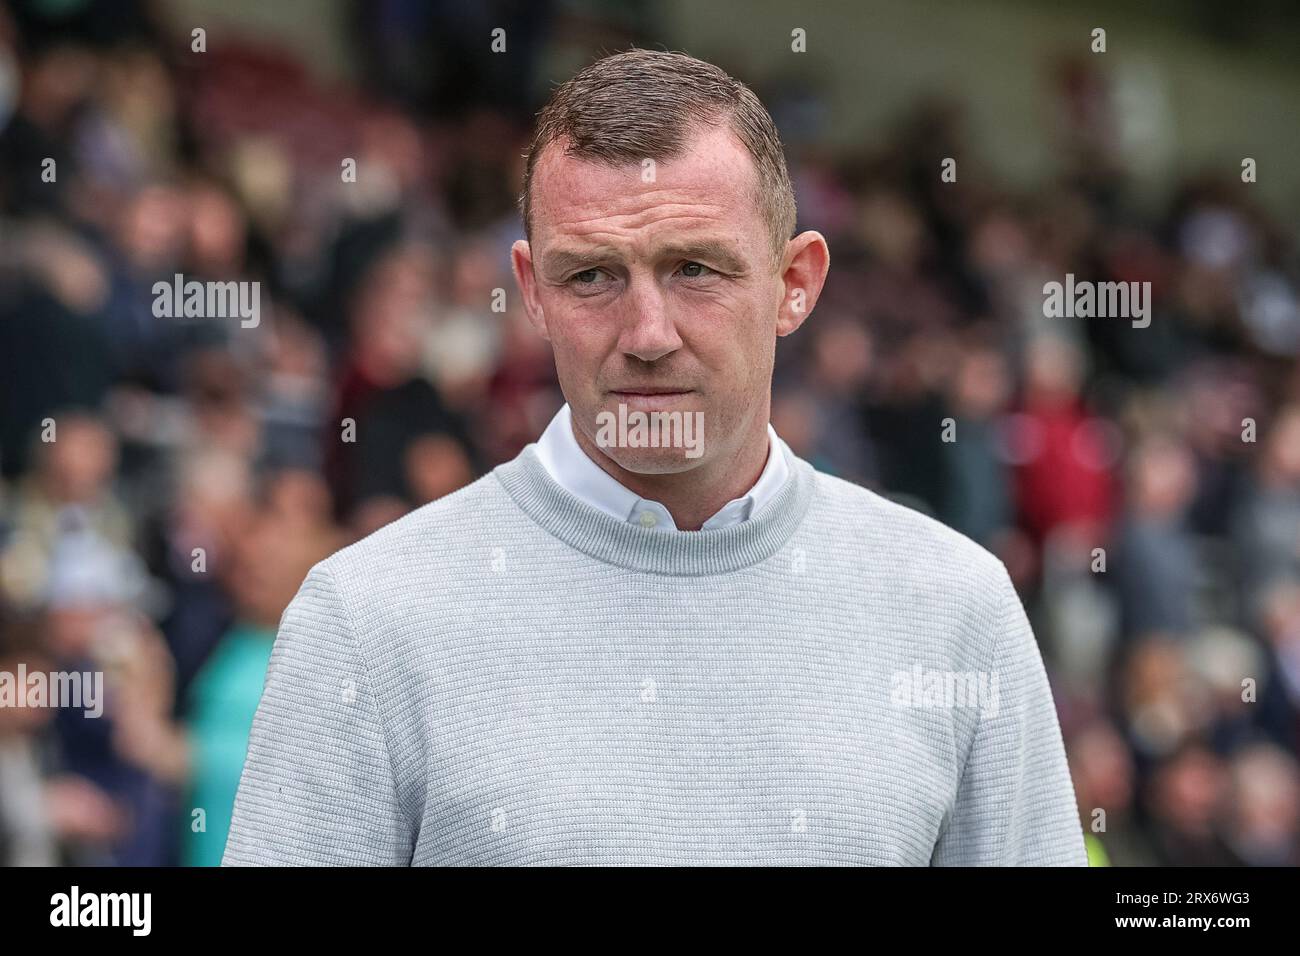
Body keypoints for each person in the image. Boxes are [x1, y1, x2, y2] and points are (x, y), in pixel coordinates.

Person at [222, 48, 1086, 866]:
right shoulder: (367, 621)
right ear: (531, 292)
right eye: (591, 276)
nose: (646, 335)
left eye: (695, 269)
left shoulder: (955, 613)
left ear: (795, 285)